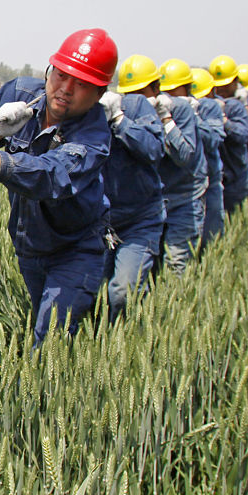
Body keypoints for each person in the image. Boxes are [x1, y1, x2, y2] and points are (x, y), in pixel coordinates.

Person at [0, 29, 117, 345]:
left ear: (99, 93)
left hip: (75, 247)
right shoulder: (20, 92)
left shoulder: (94, 137)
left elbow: (50, 177)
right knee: (52, 323)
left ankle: (51, 390)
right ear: (49, 70)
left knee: (48, 340)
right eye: (61, 75)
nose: (65, 89)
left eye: (81, 84)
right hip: (28, 241)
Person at [98, 54, 165, 321]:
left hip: (139, 220)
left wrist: (119, 121)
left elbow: (155, 149)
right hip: (98, 223)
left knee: (122, 293)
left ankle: (128, 344)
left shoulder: (136, 106)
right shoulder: (81, 111)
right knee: (92, 295)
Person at [154, 59, 204, 275]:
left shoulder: (185, 112)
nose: (169, 97)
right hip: (157, 200)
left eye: (175, 91)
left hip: (186, 197)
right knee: (153, 268)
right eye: (165, 92)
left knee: (176, 264)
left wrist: (167, 120)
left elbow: (184, 155)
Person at [208, 55, 248, 215]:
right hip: (216, 177)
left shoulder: (235, 107)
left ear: (235, 81)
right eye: (218, 86)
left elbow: (242, 136)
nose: (222, 89)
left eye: (226, 85)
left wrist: (225, 121)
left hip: (236, 178)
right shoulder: (208, 106)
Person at [189, 67, 226, 247]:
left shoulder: (210, 108)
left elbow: (213, 140)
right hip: (186, 184)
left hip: (210, 179)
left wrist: (194, 118)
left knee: (211, 234)